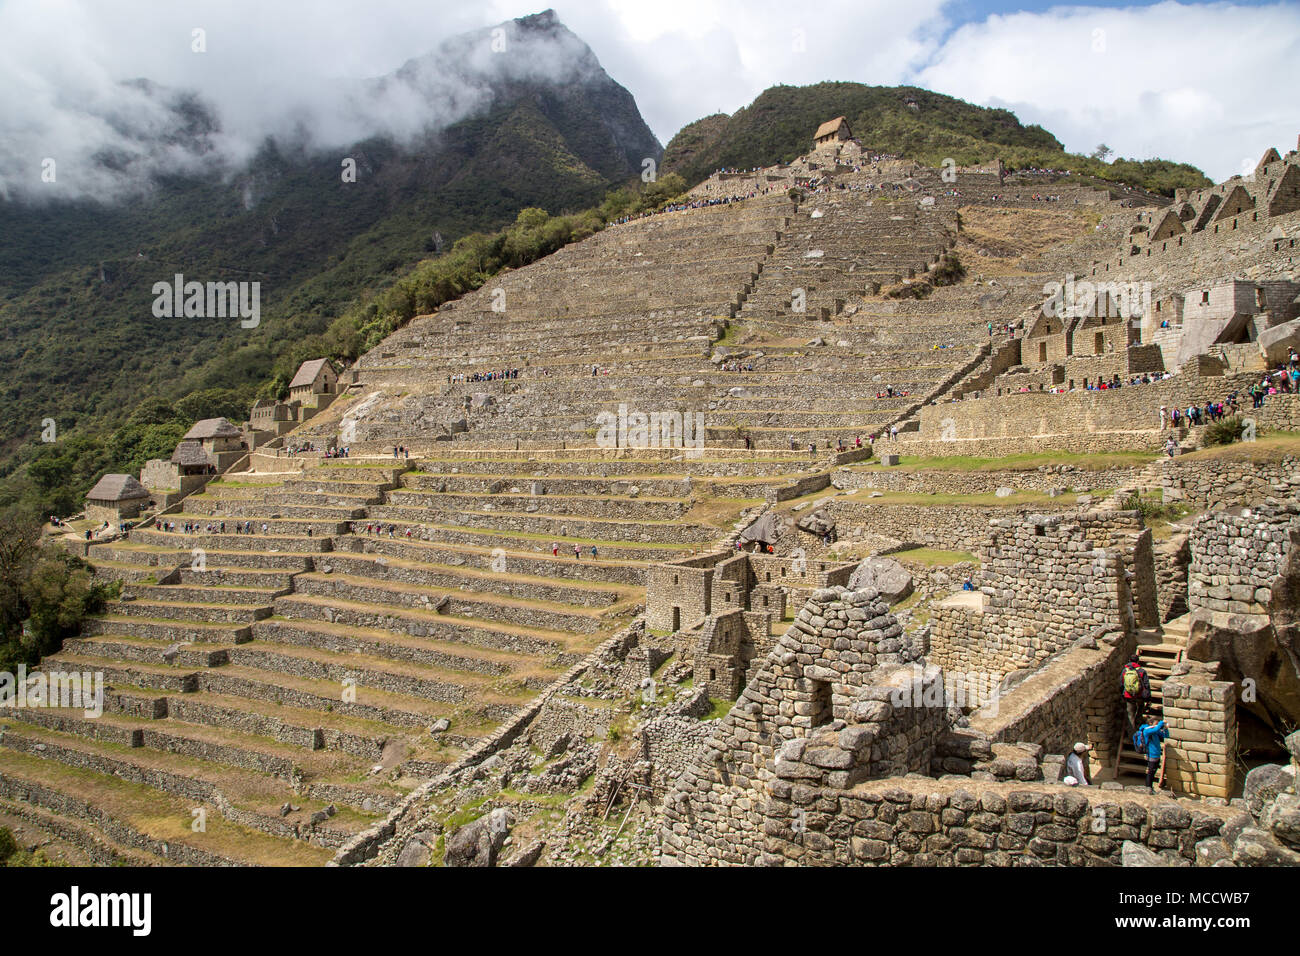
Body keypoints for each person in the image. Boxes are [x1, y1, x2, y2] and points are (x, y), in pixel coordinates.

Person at [1135, 714, 1169, 790]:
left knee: (1153, 772)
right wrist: (1161, 723)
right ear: (1150, 723)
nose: (1157, 725)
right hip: (1151, 755)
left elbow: (1166, 736)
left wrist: (1165, 728)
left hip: (1156, 754)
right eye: (1156, 723)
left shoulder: (1154, 731)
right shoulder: (1147, 730)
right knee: (1151, 772)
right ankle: (1148, 788)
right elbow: (1156, 729)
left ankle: (1150, 787)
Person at [1122, 654, 1150, 736]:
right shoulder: (1142, 671)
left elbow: (1121, 683)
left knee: (1130, 714)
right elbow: (1146, 685)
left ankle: (1131, 735)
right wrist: (1148, 697)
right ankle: (1138, 726)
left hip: (1128, 696)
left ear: (1129, 661)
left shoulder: (1125, 671)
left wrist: (1123, 694)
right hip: (1139, 695)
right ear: (1138, 661)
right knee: (1140, 709)